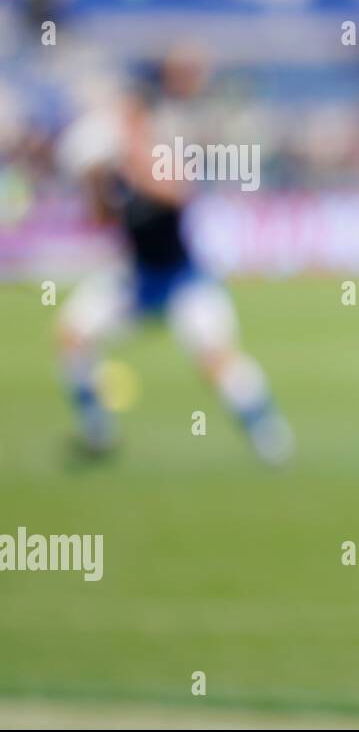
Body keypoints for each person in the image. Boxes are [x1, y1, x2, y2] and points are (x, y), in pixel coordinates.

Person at [54, 59, 293, 465]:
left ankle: (270, 438)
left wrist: (129, 160)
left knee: (216, 360)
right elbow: (101, 218)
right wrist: (92, 178)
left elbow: (178, 193)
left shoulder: (157, 151)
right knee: (72, 336)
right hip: (137, 277)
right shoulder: (111, 165)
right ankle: (98, 432)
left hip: (183, 278)